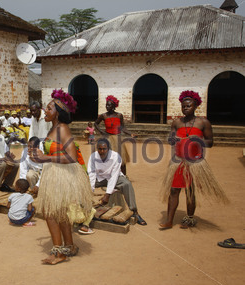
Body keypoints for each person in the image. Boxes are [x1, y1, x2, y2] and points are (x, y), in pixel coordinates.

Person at [29, 89, 93, 265]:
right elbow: (56, 152)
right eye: (47, 108)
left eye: (50, 108)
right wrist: (38, 156)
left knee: (50, 213)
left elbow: (71, 156)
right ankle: (69, 246)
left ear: (59, 111)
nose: (46, 111)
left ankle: (58, 254)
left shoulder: (62, 128)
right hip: (55, 173)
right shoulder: (54, 128)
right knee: (60, 212)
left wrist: (45, 157)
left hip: (61, 175)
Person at [159, 90, 228, 230]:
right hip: (178, 161)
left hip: (195, 162)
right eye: (183, 106)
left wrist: (197, 140)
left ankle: (189, 219)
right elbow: (170, 140)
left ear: (196, 106)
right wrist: (173, 139)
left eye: (188, 106)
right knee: (173, 190)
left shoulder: (203, 123)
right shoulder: (176, 122)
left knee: (190, 191)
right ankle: (169, 220)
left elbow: (210, 142)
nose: (185, 108)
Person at [86, 139, 147, 231]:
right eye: (100, 149)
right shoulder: (93, 157)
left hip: (116, 177)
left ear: (109, 149)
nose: (102, 151)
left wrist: (107, 195)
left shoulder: (116, 157)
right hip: (100, 178)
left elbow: (113, 176)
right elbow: (91, 174)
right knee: (84, 184)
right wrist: (91, 190)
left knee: (127, 184)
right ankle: (85, 210)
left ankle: (134, 211)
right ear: (97, 148)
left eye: (104, 149)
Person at [93, 95, 136, 175]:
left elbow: (122, 128)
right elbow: (95, 123)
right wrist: (101, 132)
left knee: (121, 160)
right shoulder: (103, 116)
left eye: (109, 105)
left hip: (117, 139)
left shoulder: (119, 115)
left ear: (113, 106)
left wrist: (131, 134)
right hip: (107, 138)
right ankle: (108, 176)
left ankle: (124, 177)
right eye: (106, 105)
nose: (107, 106)